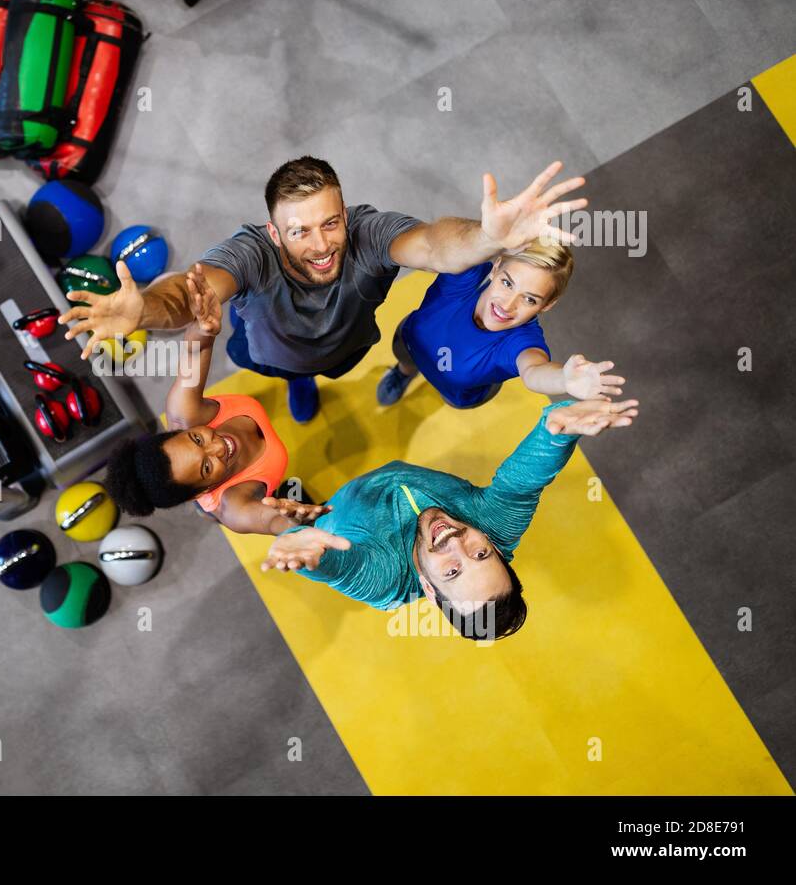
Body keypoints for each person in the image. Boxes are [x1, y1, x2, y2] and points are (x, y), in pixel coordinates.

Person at [59, 156, 587, 423]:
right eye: (299, 231)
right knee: (291, 372)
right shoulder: (251, 253)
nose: (321, 245)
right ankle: (298, 383)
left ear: (344, 212)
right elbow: (192, 292)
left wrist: (484, 238)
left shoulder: (370, 231)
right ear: (273, 233)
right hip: (268, 353)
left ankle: (314, 376)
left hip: (345, 347)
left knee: (333, 366)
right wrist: (149, 308)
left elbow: (432, 245)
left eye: (329, 223)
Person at [255, 398, 640, 640]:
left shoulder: (384, 579)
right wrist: (557, 431)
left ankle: (301, 512)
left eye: (452, 572)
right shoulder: (494, 528)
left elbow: (343, 569)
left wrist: (305, 547)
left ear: (428, 586)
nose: (456, 542)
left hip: (333, 527)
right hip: (366, 492)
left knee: (298, 516)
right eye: (481, 555)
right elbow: (521, 485)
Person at [103, 267, 328, 535]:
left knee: (244, 339)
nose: (218, 446)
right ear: (204, 489)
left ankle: (285, 362)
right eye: (207, 467)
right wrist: (293, 527)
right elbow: (269, 521)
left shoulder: (183, 411)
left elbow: (196, 349)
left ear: (180, 429)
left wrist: (202, 323)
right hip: (232, 500)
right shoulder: (235, 507)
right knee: (299, 514)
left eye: (197, 439)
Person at [377, 239, 625, 409]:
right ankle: (403, 373)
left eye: (529, 299)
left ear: (547, 305)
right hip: (410, 344)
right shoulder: (463, 275)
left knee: (449, 394)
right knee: (406, 360)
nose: (507, 305)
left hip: (457, 392)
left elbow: (533, 371)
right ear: (496, 269)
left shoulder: (522, 342)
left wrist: (563, 380)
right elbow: (435, 241)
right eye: (507, 283)